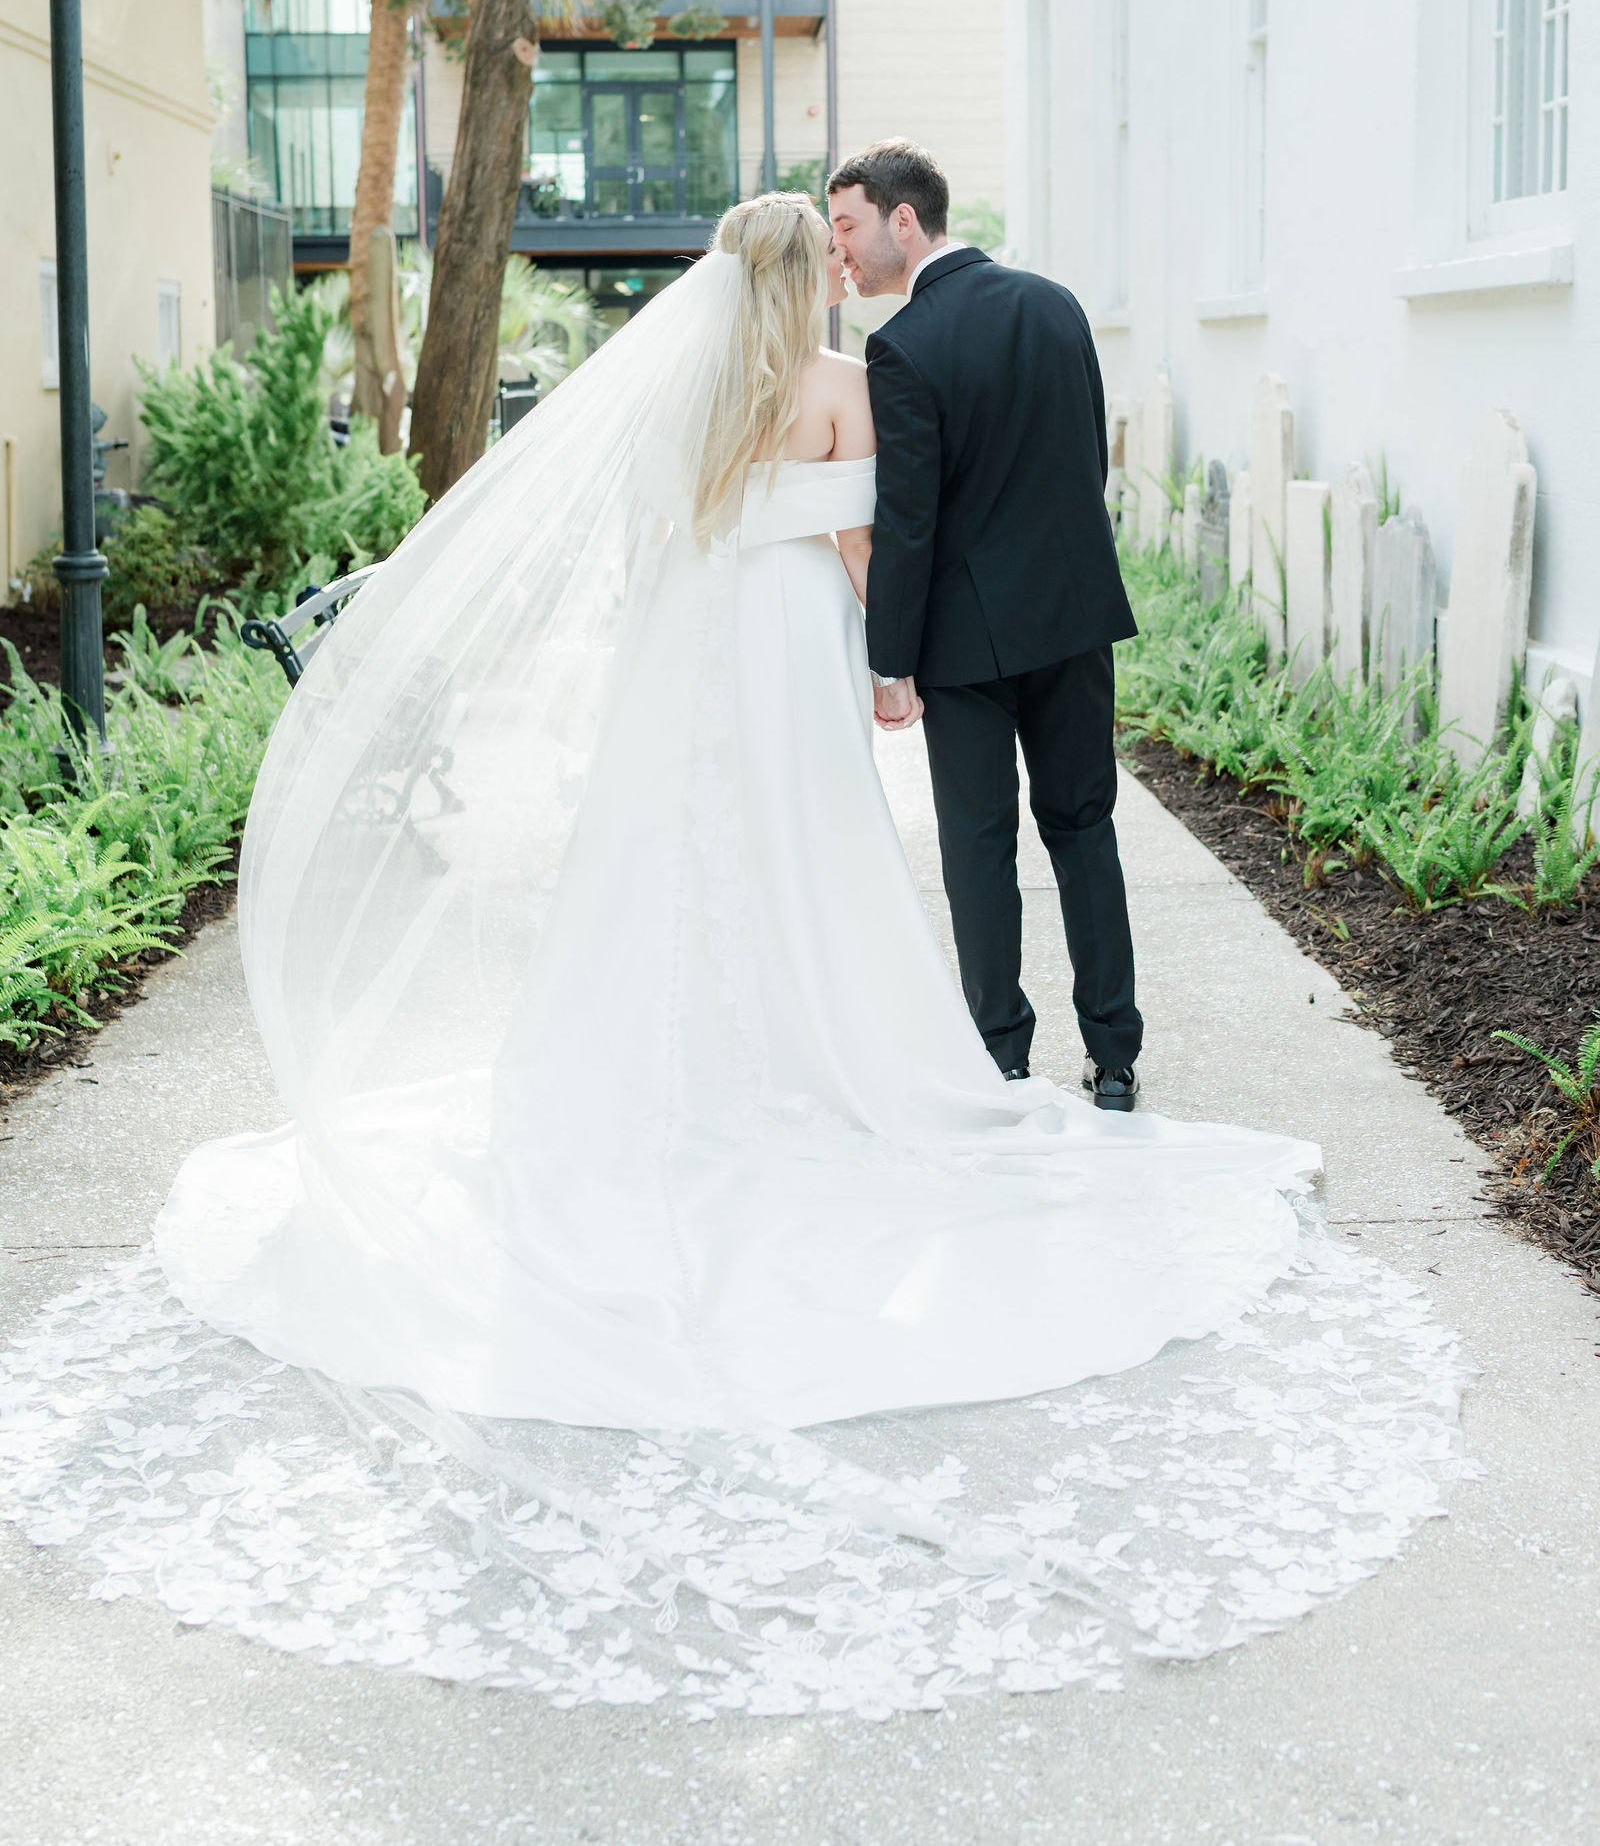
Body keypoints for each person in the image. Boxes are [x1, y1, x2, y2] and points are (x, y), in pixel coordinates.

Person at [0, 190, 1461, 1712]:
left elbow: (642, 553)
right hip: (791, 659)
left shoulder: (681, 394)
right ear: (805, 279)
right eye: (825, 254)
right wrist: (889, 671)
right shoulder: (842, 391)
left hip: (690, 664)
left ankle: (653, 1072)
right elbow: (853, 544)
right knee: (812, 861)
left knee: (663, 875)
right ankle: (895, 1051)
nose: (844, 263)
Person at [827, 140, 1143, 1106]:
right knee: (1085, 830)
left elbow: (907, 522)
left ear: (904, 220)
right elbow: (1085, 459)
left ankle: (1001, 1050)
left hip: (965, 643)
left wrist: (892, 661)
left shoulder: (904, 347)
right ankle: (1116, 1058)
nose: (841, 254)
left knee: (978, 844)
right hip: (1073, 619)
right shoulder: (1056, 305)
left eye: (848, 226)